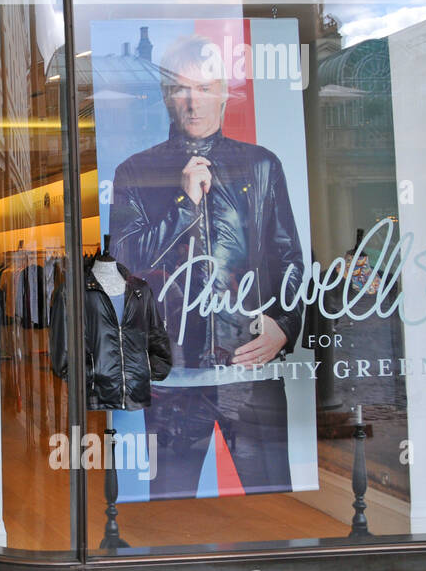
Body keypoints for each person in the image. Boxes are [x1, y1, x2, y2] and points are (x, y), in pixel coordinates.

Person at [109, 34, 303, 496]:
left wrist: (285, 324)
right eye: (180, 88)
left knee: (274, 507)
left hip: (248, 366)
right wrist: (181, 201)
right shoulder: (136, 171)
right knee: (163, 513)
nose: (193, 101)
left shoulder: (261, 165)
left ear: (223, 93)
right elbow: (127, 262)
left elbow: (289, 258)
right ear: (165, 96)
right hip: (170, 374)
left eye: (204, 87)